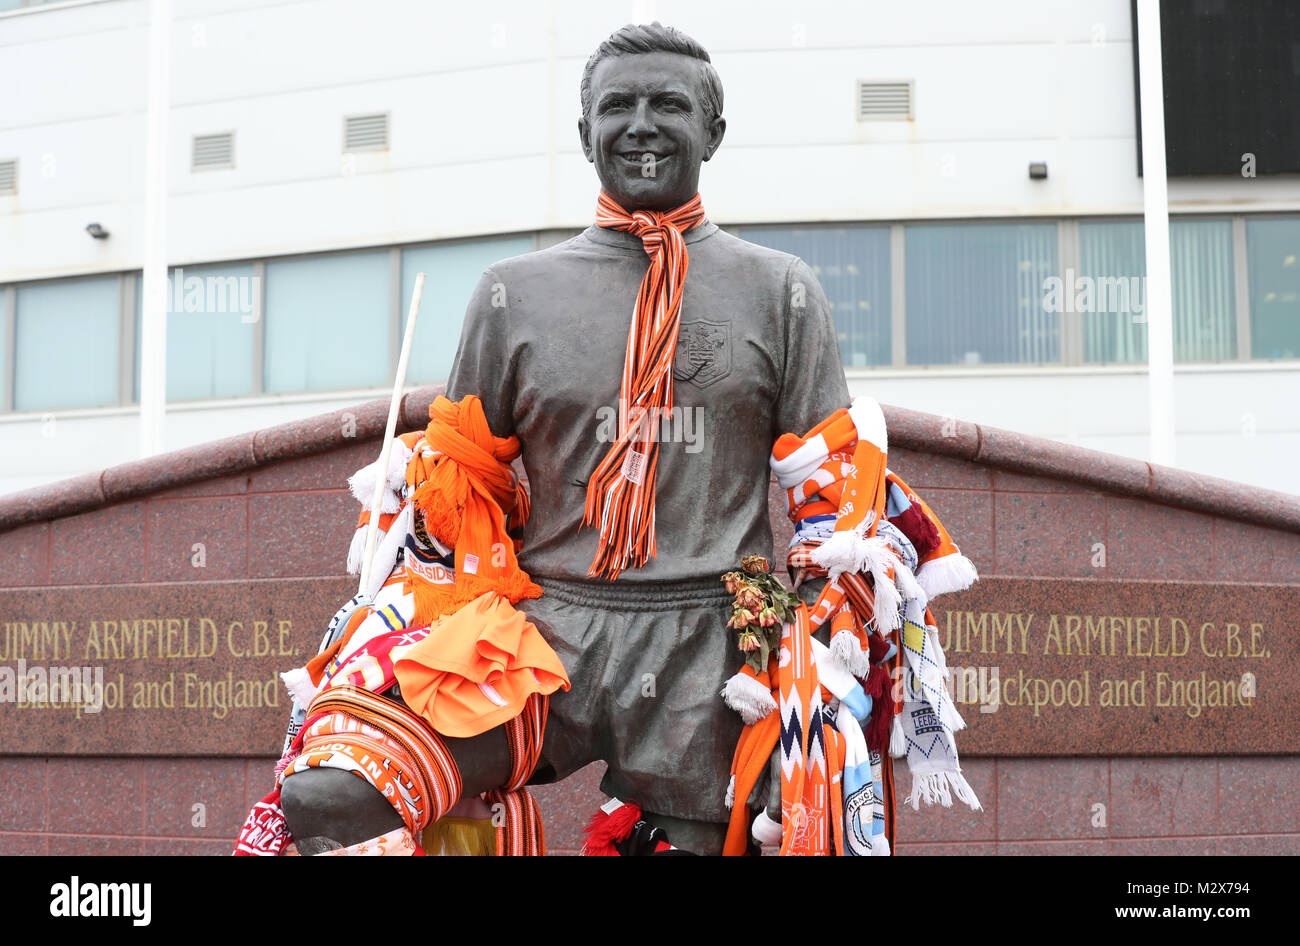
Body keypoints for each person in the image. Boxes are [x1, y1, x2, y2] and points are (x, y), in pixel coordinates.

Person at [440, 21, 851, 855]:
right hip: (545, 630)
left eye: (669, 105)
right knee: (339, 786)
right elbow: (459, 483)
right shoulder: (511, 292)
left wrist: (807, 661)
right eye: (616, 106)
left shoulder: (781, 291)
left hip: (711, 638)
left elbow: (833, 502)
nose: (641, 124)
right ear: (584, 131)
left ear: (714, 133)